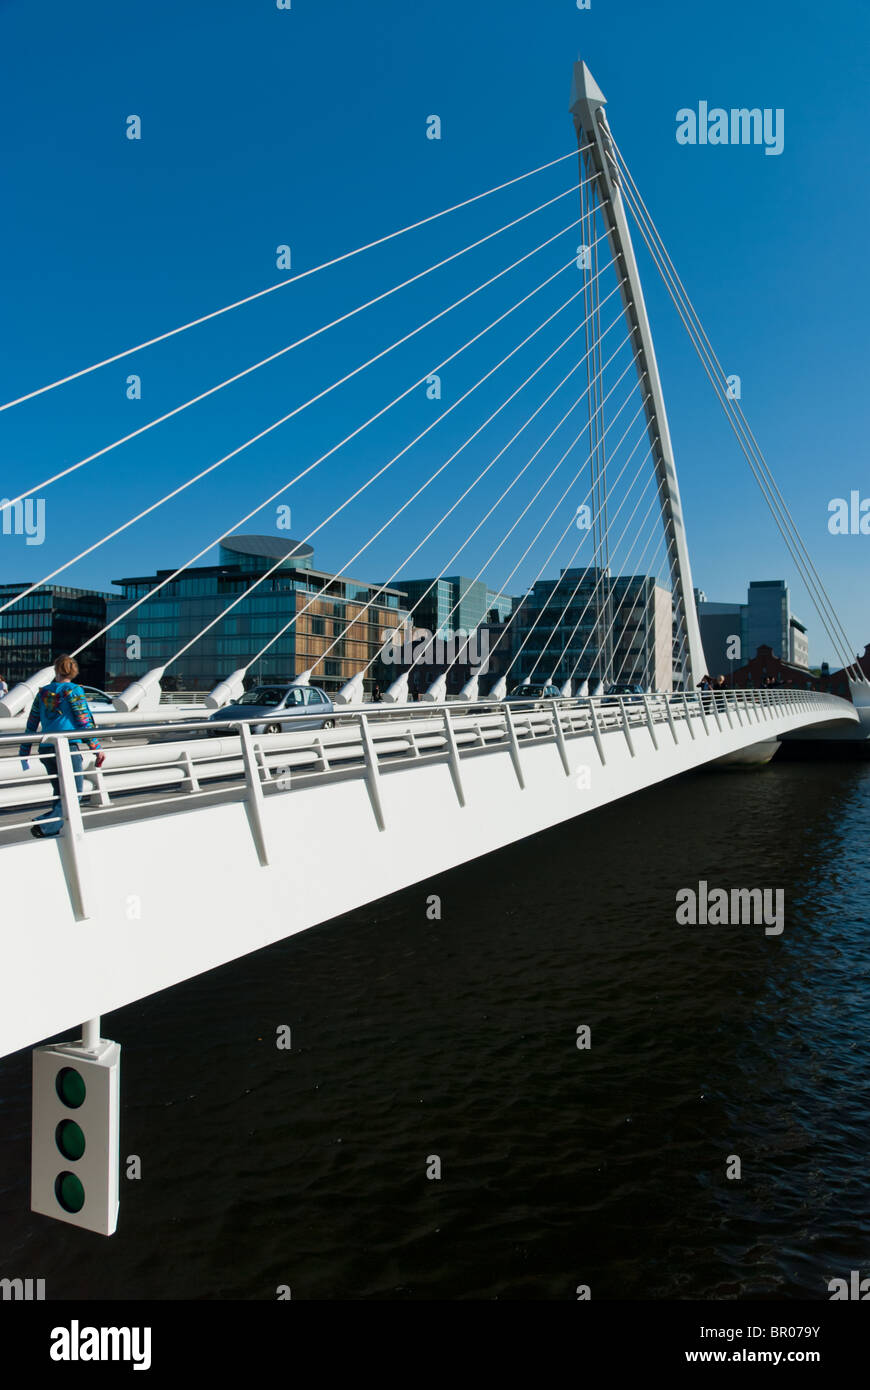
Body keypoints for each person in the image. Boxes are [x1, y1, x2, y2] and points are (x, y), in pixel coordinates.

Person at [18, 654, 104, 838]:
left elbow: (31, 723)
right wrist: (96, 747)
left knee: (60, 794)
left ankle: (53, 830)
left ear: (56, 670)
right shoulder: (74, 691)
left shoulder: (43, 692)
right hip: (67, 748)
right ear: (74, 671)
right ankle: (44, 824)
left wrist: (24, 750)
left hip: (46, 748)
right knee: (74, 793)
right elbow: (83, 721)